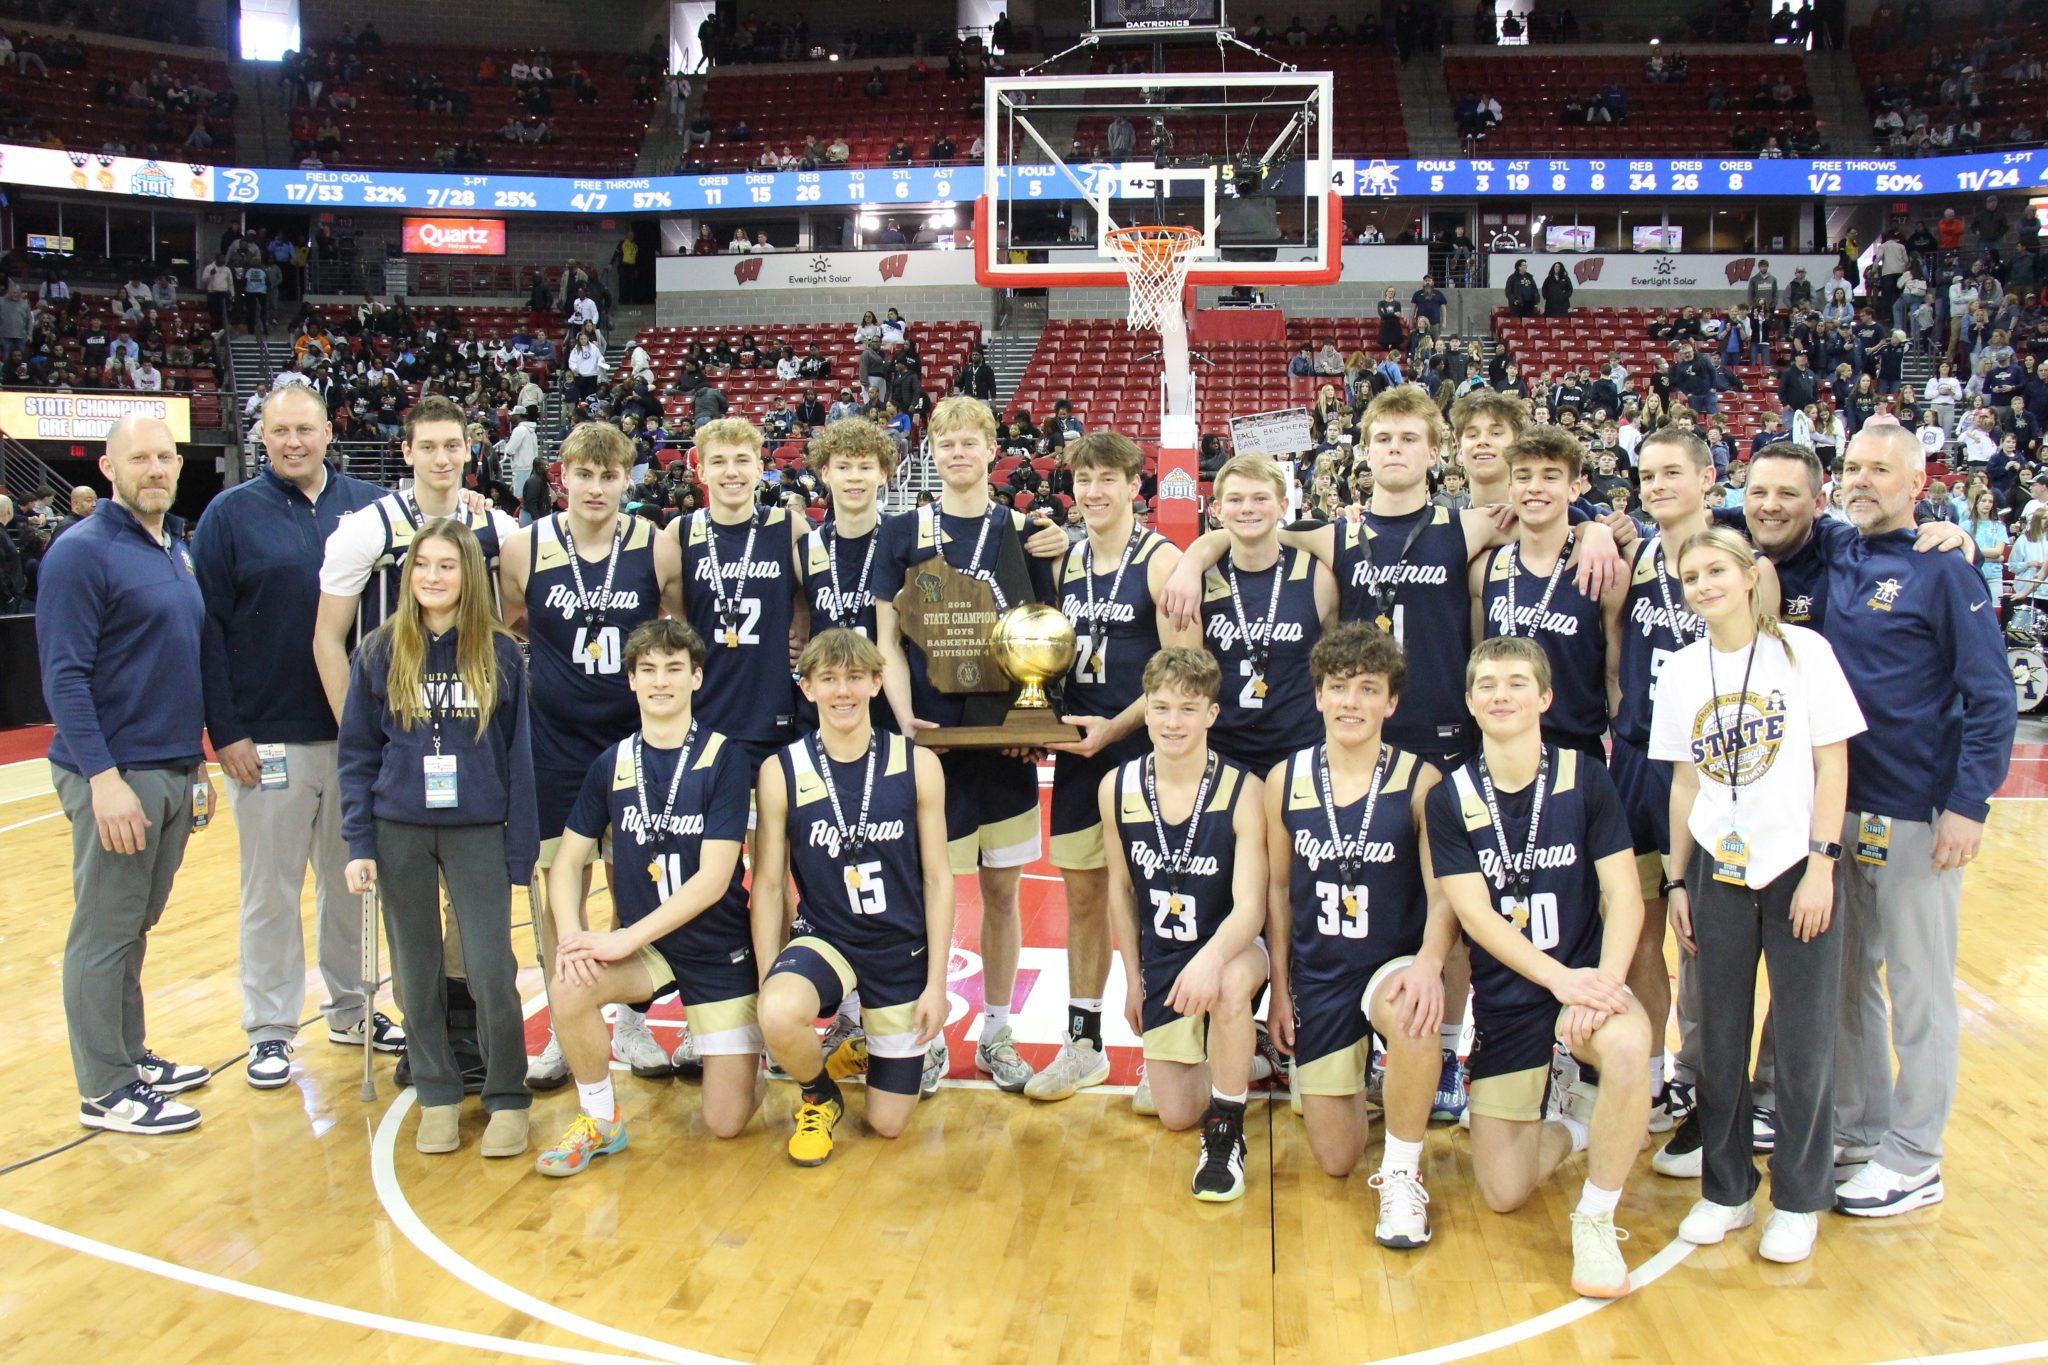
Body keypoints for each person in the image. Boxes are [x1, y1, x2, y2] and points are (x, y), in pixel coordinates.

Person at [1652, 529, 1863, 1265]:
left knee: (1803, 1040)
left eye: (1716, 570)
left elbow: (1832, 766)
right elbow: (1684, 782)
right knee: (1717, 1035)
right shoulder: (1680, 670)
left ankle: (1800, 1198)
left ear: (1750, 576)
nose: (1704, 584)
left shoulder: (1806, 654)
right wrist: (1678, 879)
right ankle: (1728, 1188)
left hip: (1796, 865)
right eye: (1691, 577)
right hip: (1718, 866)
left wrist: (1823, 864)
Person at [1824, 425, 2016, 1216]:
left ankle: (1917, 1155)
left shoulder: (1944, 568)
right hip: (1841, 810)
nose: (1862, 480)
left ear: (1916, 482)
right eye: (1853, 467)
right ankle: (1867, 1126)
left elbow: (1993, 697)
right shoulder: (1837, 552)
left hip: (1917, 814)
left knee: (1920, 989)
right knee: (1849, 983)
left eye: (1880, 470)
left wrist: (1968, 804)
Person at [1426, 636, 1652, 1299]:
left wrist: (1602, 982)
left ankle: (1597, 1217)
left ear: (1546, 697)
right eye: (1488, 684)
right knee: (1503, 1191)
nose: (1502, 694)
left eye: (1518, 682)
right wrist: (1559, 980)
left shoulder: (1586, 775)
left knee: (1631, 1046)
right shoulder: (1452, 795)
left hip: (1586, 981)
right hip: (1515, 997)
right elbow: (1474, 914)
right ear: (1469, 702)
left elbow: (1624, 894)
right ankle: (1577, 1122)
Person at [194, 385, 400, 1090]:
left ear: (328, 430)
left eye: (304, 429)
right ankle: (272, 1029)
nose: (292, 441)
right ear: (262, 435)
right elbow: (209, 634)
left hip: (355, 738)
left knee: (351, 886)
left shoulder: (371, 507)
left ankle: (351, 1009)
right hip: (269, 740)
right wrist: (226, 732)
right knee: (270, 891)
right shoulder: (227, 516)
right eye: (278, 430)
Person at [871, 395, 1069, 1094]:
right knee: (934, 893)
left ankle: (995, 1030)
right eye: (946, 442)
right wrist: (903, 718)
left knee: (1003, 892)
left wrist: (1035, 722)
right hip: (934, 745)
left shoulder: (1026, 529)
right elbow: (885, 641)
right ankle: (928, 1039)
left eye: (970, 441)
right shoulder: (902, 531)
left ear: (993, 450)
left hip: (1004, 747)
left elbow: (1049, 637)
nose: (958, 452)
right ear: (933, 451)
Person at [533, 620, 764, 1176]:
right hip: (650, 950)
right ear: (632, 680)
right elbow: (566, 863)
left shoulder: (725, 759)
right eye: (649, 671)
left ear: (696, 677)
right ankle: (599, 1120)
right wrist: (571, 939)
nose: (662, 682)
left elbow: (714, 879)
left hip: (718, 948)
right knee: (570, 981)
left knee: (726, 1123)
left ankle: (750, 1057)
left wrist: (620, 938)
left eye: (674, 669)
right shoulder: (611, 763)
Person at [338, 520, 535, 1157]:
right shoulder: (378, 650)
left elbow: (519, 755)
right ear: (408, 574)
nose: (433, 576)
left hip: (477, 827)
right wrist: (358, 842)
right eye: (423, 564)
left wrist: (521, 846)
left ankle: (507, 1095)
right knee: (415, 974)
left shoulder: (501, 653)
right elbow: (358, 755)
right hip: (399, 829)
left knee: (488, 969)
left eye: (447, 565)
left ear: (468, 575)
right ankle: (438, 1093)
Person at [41, 416, 214, 1135]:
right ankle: (105, 1086)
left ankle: (129, 1054)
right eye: (137, 457)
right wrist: (102, 777)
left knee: (132, 925)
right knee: (105, 928)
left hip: (170, 764)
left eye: (165, 456)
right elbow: (64, 677)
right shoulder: (81, 554)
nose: (155, 468)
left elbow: (178, 663)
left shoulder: (173, 548)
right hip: (117, 773)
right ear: (108, 468)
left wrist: (196, 761)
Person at [498, 422, 683, 1087]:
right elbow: (513, 618)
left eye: (610, 475)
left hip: (633, 739)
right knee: (559, 888)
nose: (597, 487)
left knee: (634, 880)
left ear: (626, 480)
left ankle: (632, 1018)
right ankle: (560, 1016)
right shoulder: (524, 548)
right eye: (585, 473)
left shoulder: (655, 546)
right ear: (563, 477)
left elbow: (678, 627)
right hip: (551, 742)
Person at [1606, 429, 1779, 1140]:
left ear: (1709, 476)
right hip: (1641, 757)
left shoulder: (1742, 561)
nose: (1656, 484)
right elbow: (1616, 648)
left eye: (1672, 471)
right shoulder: (1636, 553)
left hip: (1717, 768)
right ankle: (1652, 1080)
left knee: (1711, 938)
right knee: (1644, 928)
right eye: (1646, 474)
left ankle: (1712, 1086)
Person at [1266, 624, 1454, 1244]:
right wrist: (1281, 990)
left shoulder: (1420, 780)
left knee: (1412, 1015)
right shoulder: (1284, 780)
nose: (1351, 702)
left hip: (1388, 963)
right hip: (1319, 974)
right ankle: (1384, 1087)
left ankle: (1402, 1174)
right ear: (1317, 696)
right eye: (1338, 687)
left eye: (1368, 689)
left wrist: (1429, 964)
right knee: (1337, 1158)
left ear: (1391, 703)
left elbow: (1441, 891)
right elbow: (1277, 893)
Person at [1031, 433, 1196, 1104]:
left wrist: (1116, 729)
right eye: (1084, 479)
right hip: (1080, 758)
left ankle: (1166, 1048)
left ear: (1135, 485)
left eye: (1108, 478)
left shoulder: (1163, 563)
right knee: (1083, 901)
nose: (1094, 491)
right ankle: (1084, 1043)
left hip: (1145, 755)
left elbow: (1182, 673)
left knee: (1164, 900)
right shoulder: (1067, 562)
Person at [752, 630, 953, 1165]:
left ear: (877, 682)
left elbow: (938, 880)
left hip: (900, 948)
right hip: (827, 939)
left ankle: (864, 1048)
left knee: (888, 1125)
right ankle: (820, 1093)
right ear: (808, 688)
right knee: (777, 1011)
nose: (843, 691)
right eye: (829, 679)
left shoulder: (917, 765)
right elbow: (769, 885)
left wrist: (937, 984)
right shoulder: (781, 771)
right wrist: (767, 977)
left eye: (855, 678)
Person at [1102, 648, 1270, 1201]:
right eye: (1163, 707)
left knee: (1224, 991)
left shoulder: (1244, 789)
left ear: (1211, 715)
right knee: (1175, 1115)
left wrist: (1210, 960)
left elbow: (1251, 907)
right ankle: (1238, 1052)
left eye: (1189, 709)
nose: (1174, 722)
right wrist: (1133, 978)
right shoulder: (1116, 788)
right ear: (1146, 711)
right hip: (1167, 954)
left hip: (1234, 947)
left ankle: (1226, 1130)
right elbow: (1122, 891)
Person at [1471, 428, 1626, 763]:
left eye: (1550, 476)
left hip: (1576, 753)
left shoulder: (1607, 570)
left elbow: (1615, 679)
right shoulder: (1484, 568)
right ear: (1510, 488)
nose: (1535, 487)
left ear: (1574, 488)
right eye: (1523, 477)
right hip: (1498, 751)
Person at [674, 417, 806, 784]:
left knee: (774, 835)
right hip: (704, 714)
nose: (731, 472)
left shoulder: (789, 527)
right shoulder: (680, 532)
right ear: (700, 470)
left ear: (761, 468)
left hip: (773, 712)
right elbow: (673, 613)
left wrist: (801, 621)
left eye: (742, 460)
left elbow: (810, 595)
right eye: (718, 461)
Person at [1193, 454, 1338, 775]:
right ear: (1216, 510)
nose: (1247, 508)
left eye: (1261, 498)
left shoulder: (1318, 578)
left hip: (1301, 752)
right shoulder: (1197, 580)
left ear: (1284, 506)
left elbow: (1334, 665)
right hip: (1221, 754)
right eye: (1235, 499)